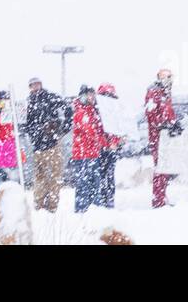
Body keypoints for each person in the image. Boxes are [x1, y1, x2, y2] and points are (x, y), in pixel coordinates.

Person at [23, 76, 72, 212]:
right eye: (33, 85)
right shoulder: (28, 103)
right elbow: (25, 125)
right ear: (30, 87)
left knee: (55, 177)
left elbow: (67, 109)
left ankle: (52, 205)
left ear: (41, 84)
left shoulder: (50, 97)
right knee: (40, 178)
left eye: (37, 84)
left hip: (53, 145)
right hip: (38, 148)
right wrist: (36, 132)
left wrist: (63, 128)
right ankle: (39, 205)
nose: (35, 87)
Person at [71, 84, 113, 212]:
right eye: (89, 95)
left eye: (93, 95)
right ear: (83, 96)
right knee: (84, 186)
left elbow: (99, 131)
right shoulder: (81, 112)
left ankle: (94, 210)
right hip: (83, 155)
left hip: (93, 154)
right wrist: (107, 143)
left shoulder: (92, 111)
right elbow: (91, 132)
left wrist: (111, 140)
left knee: (95, 184)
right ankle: (82, 211)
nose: (92, 97)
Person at [144, 69, 181, 208]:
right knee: (160, 169)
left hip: (165, 138)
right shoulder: (154, 93)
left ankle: (162, 197)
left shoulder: (166, 95)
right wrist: (164, 125)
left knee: (165, 169)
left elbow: (168, 114)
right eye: (167, 79)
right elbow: (151, 114)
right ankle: (158, 200)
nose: (169, 82)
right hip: (158, 138)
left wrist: (174, 124)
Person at [94, 83, 128, 207]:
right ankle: (103, 198)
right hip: (102, 147)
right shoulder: (97, 111)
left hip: (112, 147)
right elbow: (97, 130)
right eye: (105, 95)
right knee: (102, 174)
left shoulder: (116, 111)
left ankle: (109, 198)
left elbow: (121, 128)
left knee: (109, 173)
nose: (107, 97)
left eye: (109, 95)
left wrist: (118, 142)